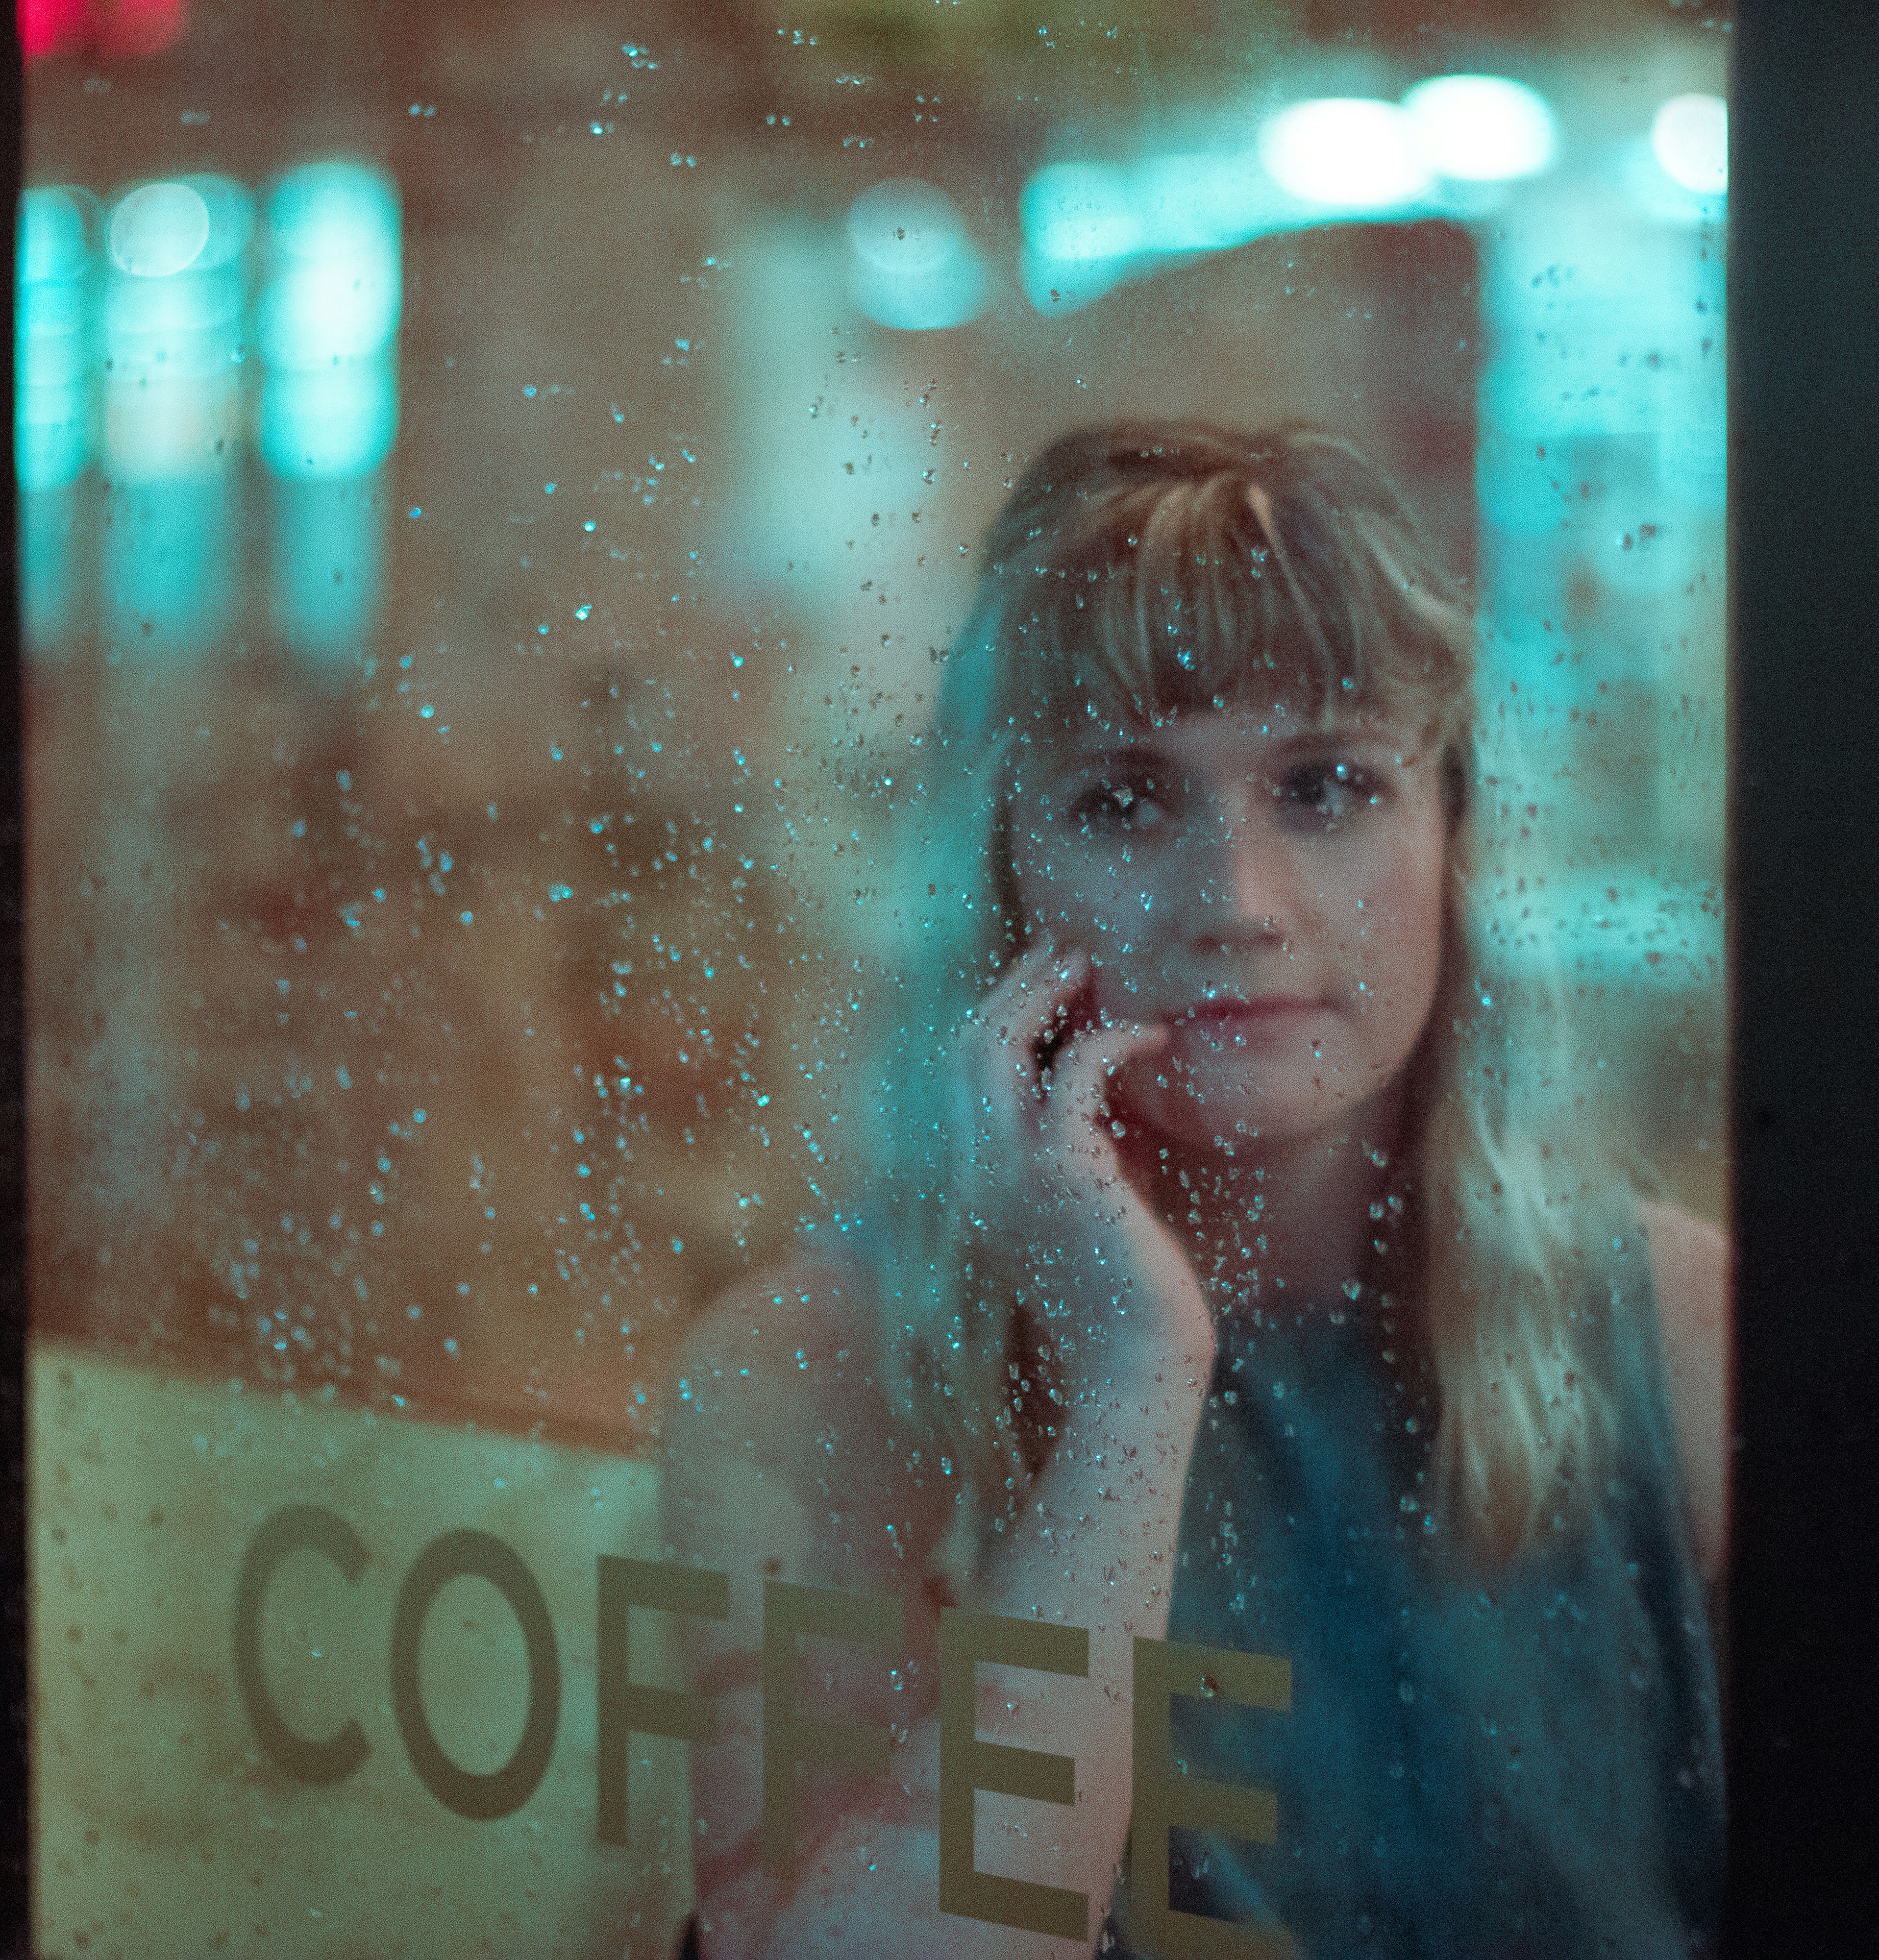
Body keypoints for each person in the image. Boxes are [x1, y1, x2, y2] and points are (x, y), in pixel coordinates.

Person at [662, 422, 1726, 1957]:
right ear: (1007, 864)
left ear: (1454, 833)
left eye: (1328, 787)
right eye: (1122, 802)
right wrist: (1133, 1385)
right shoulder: (809, 1377)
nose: (1237, 904)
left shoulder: (1680, 1332)